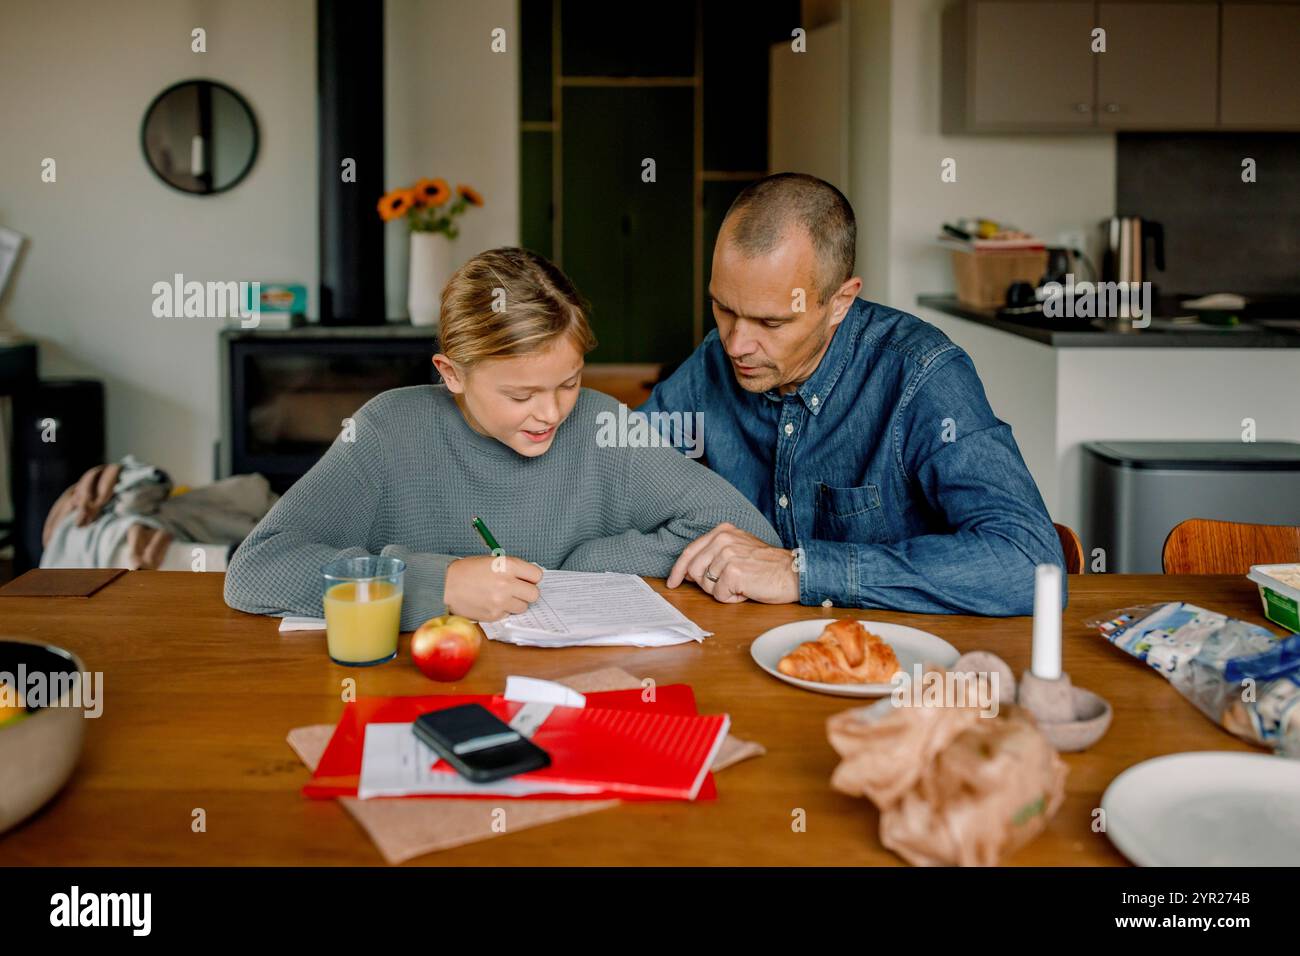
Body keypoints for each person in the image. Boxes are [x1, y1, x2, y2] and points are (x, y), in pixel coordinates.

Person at [224, 247, 780, 631]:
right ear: (452, 374)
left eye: (568, 382)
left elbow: (749, 535)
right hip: (408, 695)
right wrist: (433, 584)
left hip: (569, 693)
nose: (551, 413)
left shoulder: (598, 425)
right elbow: (256, 570)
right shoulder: (387, 432)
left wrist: (591, 562)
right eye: (520, 396)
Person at [640, 173, 1065, 616]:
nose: (735, 344)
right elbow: (625, 466)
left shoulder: (921, 375)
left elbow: (1030, 563)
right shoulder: (714, 361)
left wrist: (799, 571)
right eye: (723, 308)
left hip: (899, 668)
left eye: (771, 323)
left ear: (840, 302)